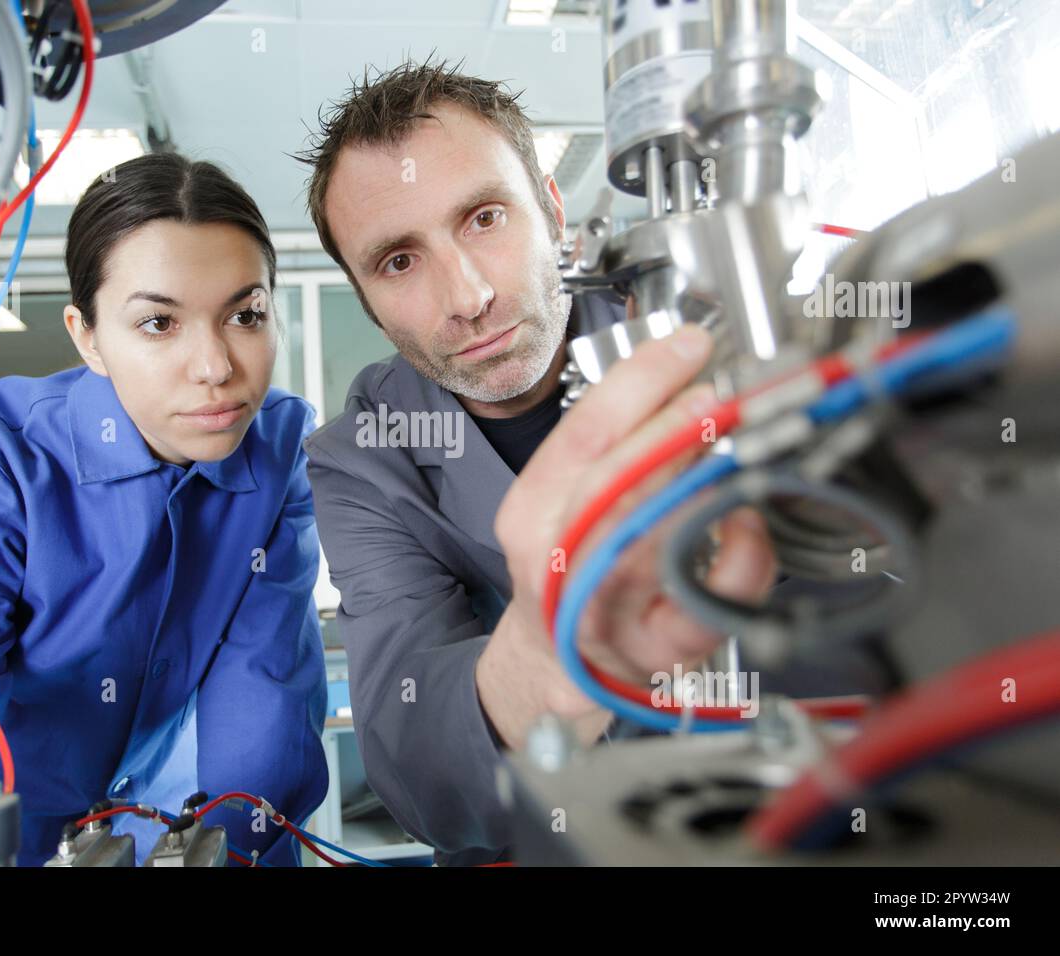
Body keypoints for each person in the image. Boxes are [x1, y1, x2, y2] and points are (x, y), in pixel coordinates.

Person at [295, 61, 785, 865]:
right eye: (398, 261)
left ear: (552, 209)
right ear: (364, 295)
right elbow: (420, 773)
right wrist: (564, 656)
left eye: (485, 217)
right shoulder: (361, 461)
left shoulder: (698, 338)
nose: (468, 295)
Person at [0, 154, 328, 866]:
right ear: (87, 338)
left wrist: (231, 850)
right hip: (3, 827)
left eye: (245, 314)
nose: (215, 367)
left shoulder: (275, 445)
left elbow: (261, 701)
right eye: (158, 324)